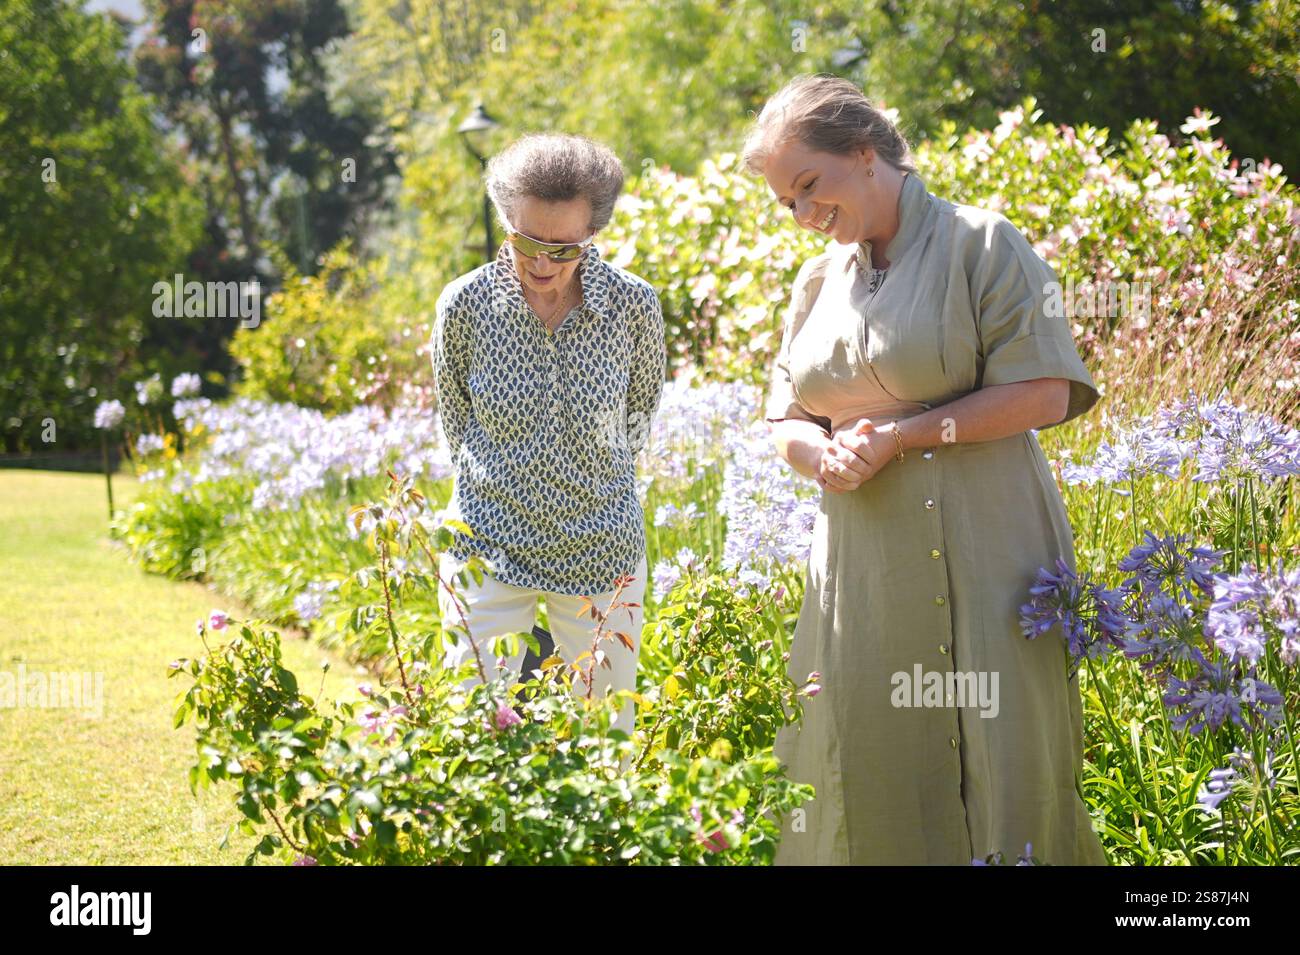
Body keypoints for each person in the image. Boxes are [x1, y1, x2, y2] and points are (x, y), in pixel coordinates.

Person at [743, 74, 1108, 865]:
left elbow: (1046, 391)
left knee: (1005, 757)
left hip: (990, 547)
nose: (804, 216)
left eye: (810, 186)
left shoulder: (983, 244)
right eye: (787, 203)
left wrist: (902, 437)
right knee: (867, 756)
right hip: (862, 570)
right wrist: (821, 452)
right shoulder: (816, 284)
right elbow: (784, 417)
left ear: (866, 152)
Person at [430, 133, 667, 738]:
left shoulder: (633, 307)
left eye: (564, 248)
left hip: (600, 543)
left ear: (594, 233)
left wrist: (587, 478)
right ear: (506, 221)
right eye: (526, 240)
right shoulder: (465, 306)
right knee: (475, 722)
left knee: (604, 728)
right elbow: (455, 421)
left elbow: (639, 414)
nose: (542, 263)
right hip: (488, 540)